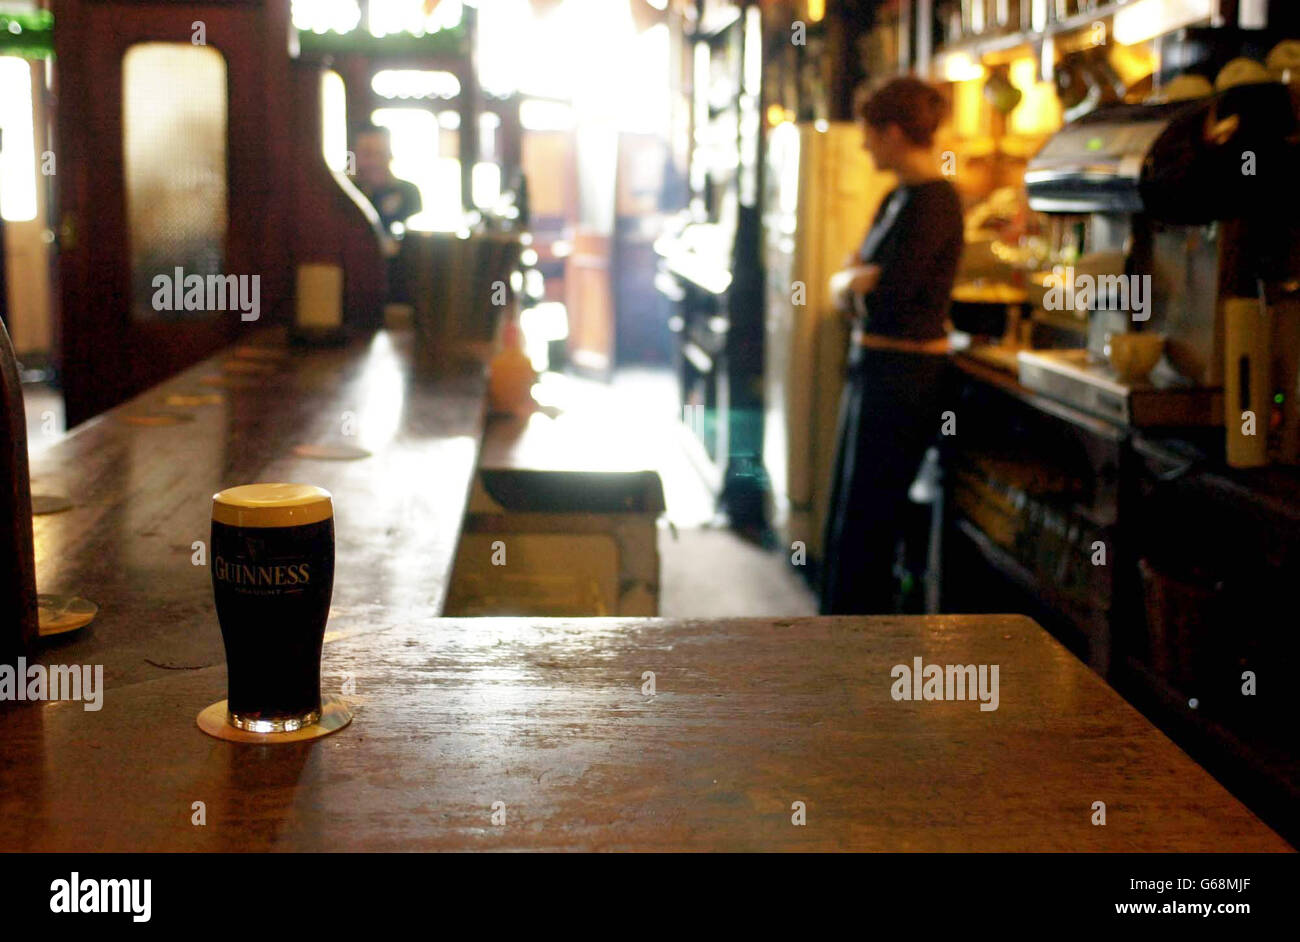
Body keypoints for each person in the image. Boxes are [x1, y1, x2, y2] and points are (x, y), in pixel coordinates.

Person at [819, 77, 964, 615]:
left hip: (906, 380)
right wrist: (852, 285)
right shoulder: (895, 198)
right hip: (875, 366)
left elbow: (891, 296)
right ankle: (840, 636)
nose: (863, 146)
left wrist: (856, 287)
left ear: (896, 133)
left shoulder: (936, 202)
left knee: (871, 516)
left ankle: (859, 651)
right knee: (850, 509)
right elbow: (853, 276)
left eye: (870, 135)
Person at [353, 124, 422, 235]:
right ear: (356, 155)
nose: (374, 161)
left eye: (380, 154)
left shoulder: (409, 192)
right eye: (367, 154)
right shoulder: (345, 195)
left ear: (390, 155)